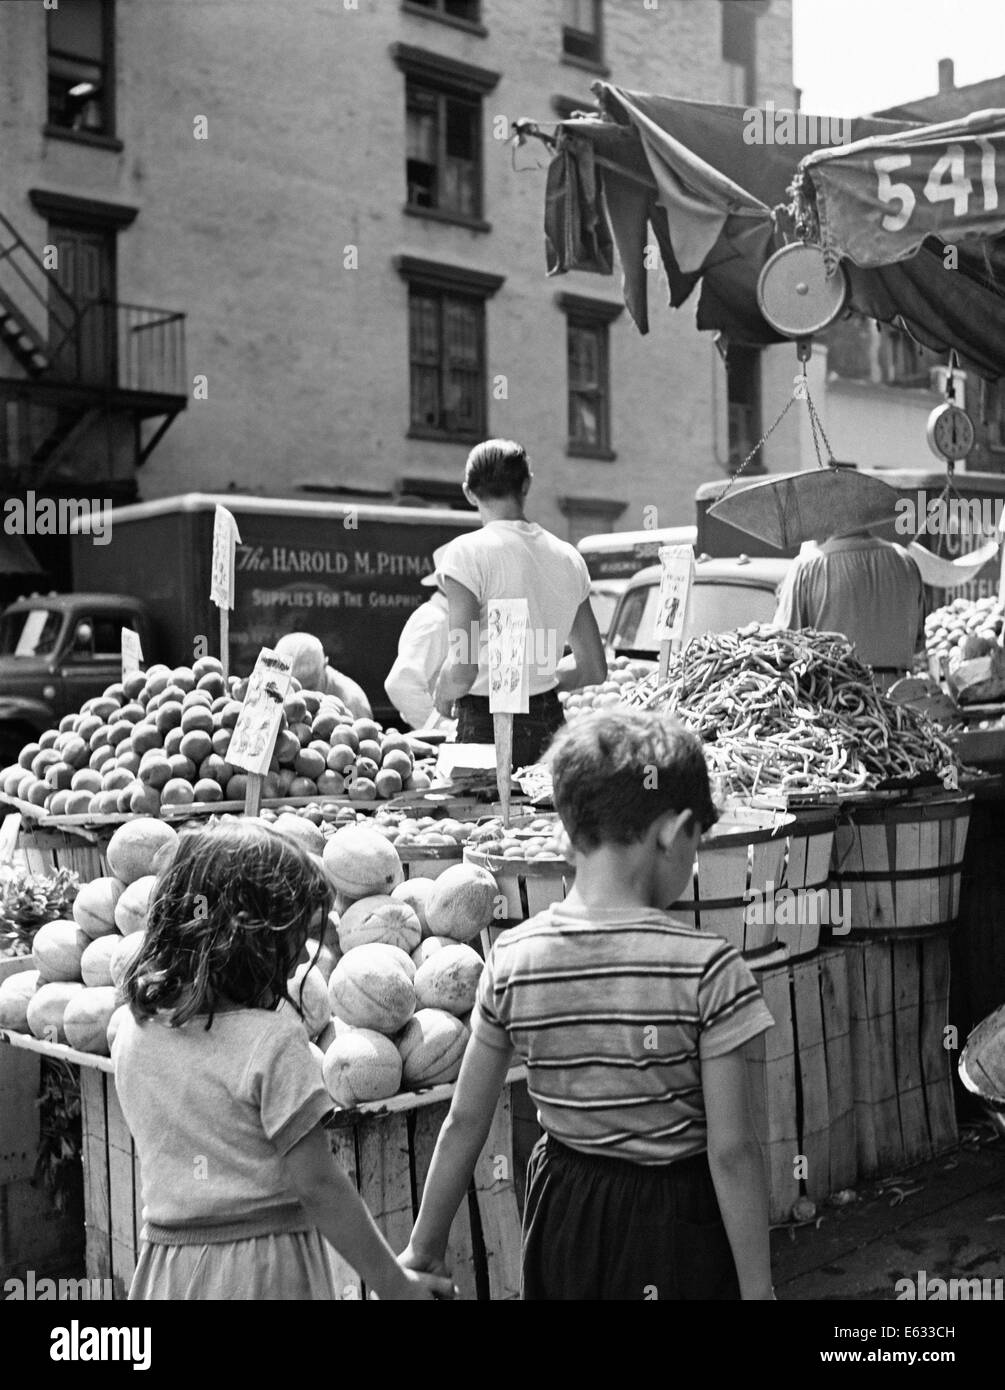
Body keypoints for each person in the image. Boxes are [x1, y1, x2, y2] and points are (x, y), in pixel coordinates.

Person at [401, 710, 776, 1301]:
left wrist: (423, 1250)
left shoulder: (512, 959)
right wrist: (760, 1293)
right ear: (675, 833)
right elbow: (732, 1152)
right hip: (675, 1221)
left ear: (567, 833)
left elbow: (465, 1121)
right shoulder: (711, 971)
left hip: (565, 1206)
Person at [112, 820, 454, 1302]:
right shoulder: (273, 1044)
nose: (299, 961)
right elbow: (319, 1186)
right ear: (250, 938)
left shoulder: (133, 1029)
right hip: (263, 1271)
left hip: (170, 1265)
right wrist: (397, 1287)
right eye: (293, 938)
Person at [432, 438, 607, 766]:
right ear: (526, 484)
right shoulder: (569, 557)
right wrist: (537, 678)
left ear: (469, 492)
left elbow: (462, 670)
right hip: (550, 725)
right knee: (548, 818)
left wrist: (443, 690)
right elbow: (594, 669)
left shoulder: (464, 553)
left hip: (486, 725)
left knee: (486, 817)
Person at [772, 526, 924, 687]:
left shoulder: (806, 566)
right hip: (900, 696)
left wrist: (805, 656)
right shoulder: (905, 561)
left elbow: (784, 647)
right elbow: (917, 643)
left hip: (834, 694)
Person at [384, 545, 454, 733]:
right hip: (441, 742)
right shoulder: (435, 621)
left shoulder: (446, 619)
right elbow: (401, 685)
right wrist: (442, 728)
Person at [273, 632, 372, 720]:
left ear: (325, 666)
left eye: (309, 688)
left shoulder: (352, 704)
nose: (298, 697)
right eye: (286, 687)